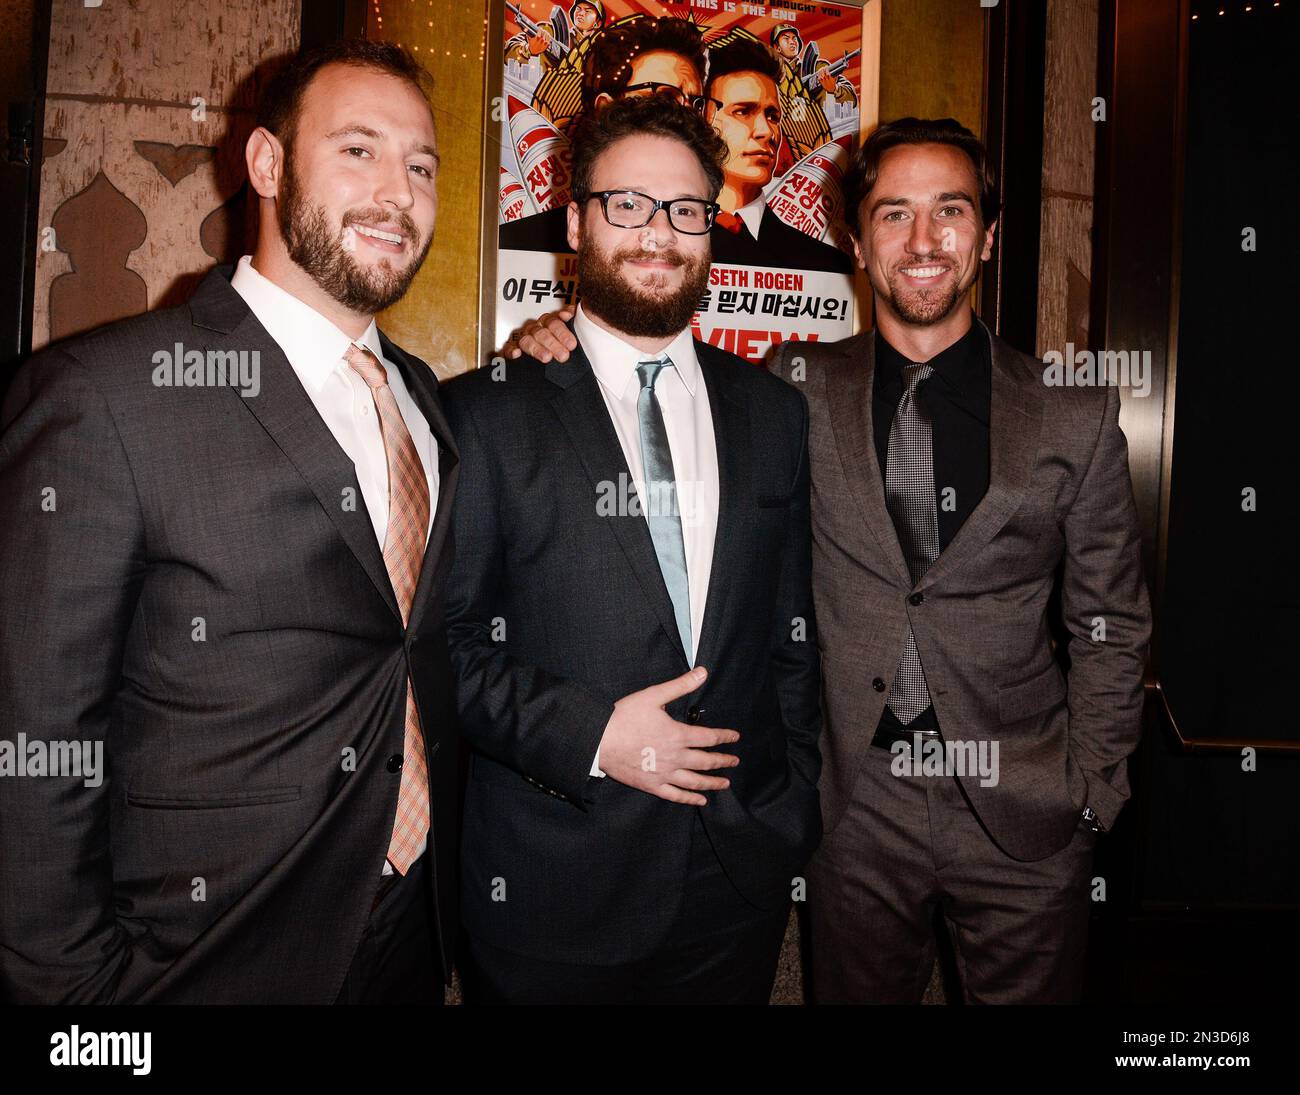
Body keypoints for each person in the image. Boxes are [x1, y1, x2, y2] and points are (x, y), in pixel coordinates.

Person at [499, 115, 1152, 1005]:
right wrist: (548, 337)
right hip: (854, 811)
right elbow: (640, 374)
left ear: (989, 234)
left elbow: (1111, 624)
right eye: (893, 214)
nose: (923, 241)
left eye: (951, 211)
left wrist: (1091, 794)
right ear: (855, 237)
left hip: (1024, 811)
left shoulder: (1073, 416)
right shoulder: (790, 391)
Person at [0, 39, 459, 1004]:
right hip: (200, 961)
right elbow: (35, 738)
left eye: (421, 167)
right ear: (265, 164)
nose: (399, 192)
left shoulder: (425, 401)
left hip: (409, 937)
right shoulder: (105, 395)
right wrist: (78, 1001)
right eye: (359, 151)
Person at [444, 94, 822, 1004]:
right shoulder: (484, 412)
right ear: (576, 221)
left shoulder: (773, 412)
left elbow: (790, 640)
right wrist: (595, 734)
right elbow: (441, 651)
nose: (660, 233)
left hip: (734, 881)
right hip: (550, 886)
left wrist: (794, 801)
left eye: (686, 210)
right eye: (629, 205)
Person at [499, 14, 706, 253]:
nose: (683, 119)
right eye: (663, 99)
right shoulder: (524, 237)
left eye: (696, 104)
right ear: (605, 109)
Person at [703, 39, 851, 274]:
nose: (766, 131)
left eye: (772, 116)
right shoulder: (665, 245)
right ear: (704, 117)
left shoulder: (826, 265)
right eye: (742, 112)